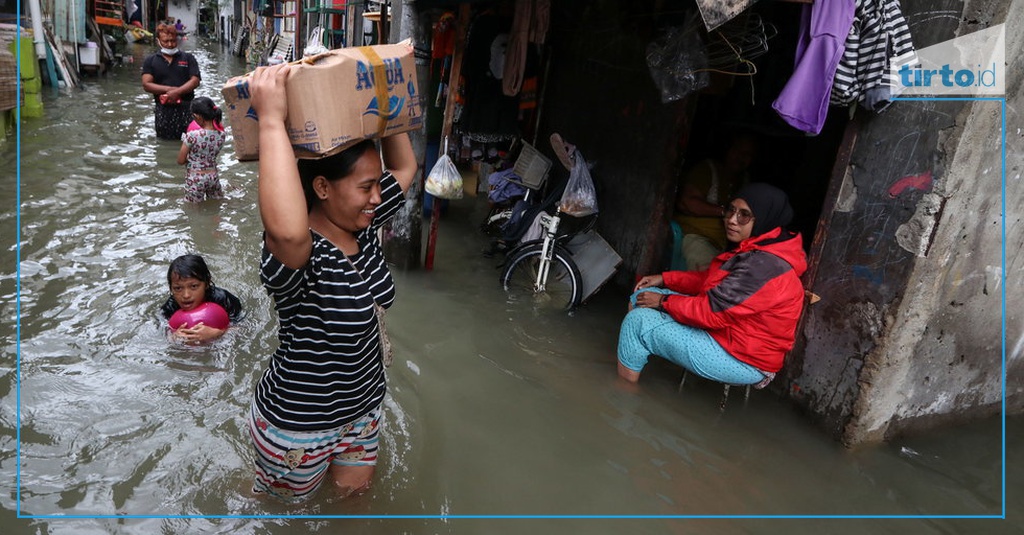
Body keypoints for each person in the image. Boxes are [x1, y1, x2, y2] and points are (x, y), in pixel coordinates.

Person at [246, 62, 418, 502]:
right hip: (297, 430)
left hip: (362, 414)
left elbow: (406, 167)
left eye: (376, 186)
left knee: (349, 506)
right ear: (322, 187)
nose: (377, 197)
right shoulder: (300, 255)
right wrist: (270, 119)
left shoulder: (365, 221)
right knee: (283, 516)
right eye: (365, 187)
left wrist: (384, 82)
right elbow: (286, 229)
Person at [618, 183, 807, 389]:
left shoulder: (764, 265)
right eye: (731, 210)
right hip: (728, 335)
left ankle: (624, 392)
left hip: (744, 359)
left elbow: (709, 312)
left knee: (637, 322)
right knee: (643, 296)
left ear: (763, 219)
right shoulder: (757, 248)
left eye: (744, 215)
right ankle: (645, 356)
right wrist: (665, 279)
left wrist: (664, 301)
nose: (732, 220)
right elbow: (710, 281)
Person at [673, 132, 757, 271]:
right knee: (708, 274)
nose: (741, 157)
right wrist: (725, 211)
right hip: (696, 236)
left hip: (727, 245)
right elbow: (687, 202)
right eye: (738, 150)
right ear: (728, 149)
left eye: (747, 155)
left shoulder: (744, 181)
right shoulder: (707, 169)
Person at [160, 254, 243, 344]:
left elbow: (243, 328)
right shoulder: (170, 307)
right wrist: (173, 337)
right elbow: (164, 331)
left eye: (194, 286)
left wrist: (219, 333)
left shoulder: (223, 299)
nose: (186, 295)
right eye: (178, 288)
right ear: (171, 288)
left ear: (207, 283)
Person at [141, 23, 201, 140]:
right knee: (163, 141)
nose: (170, 44)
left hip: (186, 108)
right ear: (158, 41)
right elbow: (146, 84)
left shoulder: (188, 58)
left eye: (173, 41)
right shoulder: (151, 60)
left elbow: (195, 80)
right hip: (163, 110)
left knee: (188, 140)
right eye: (165, 41)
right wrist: (168, 90)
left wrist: (178, 92)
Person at [176, 97, 227, 203]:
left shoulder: (192, 135)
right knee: (216, 205)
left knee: (193, 211)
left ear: (197, 116)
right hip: (213, 176)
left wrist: (190, 160)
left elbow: (180, 160)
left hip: (196, 178)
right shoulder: (222, 135)